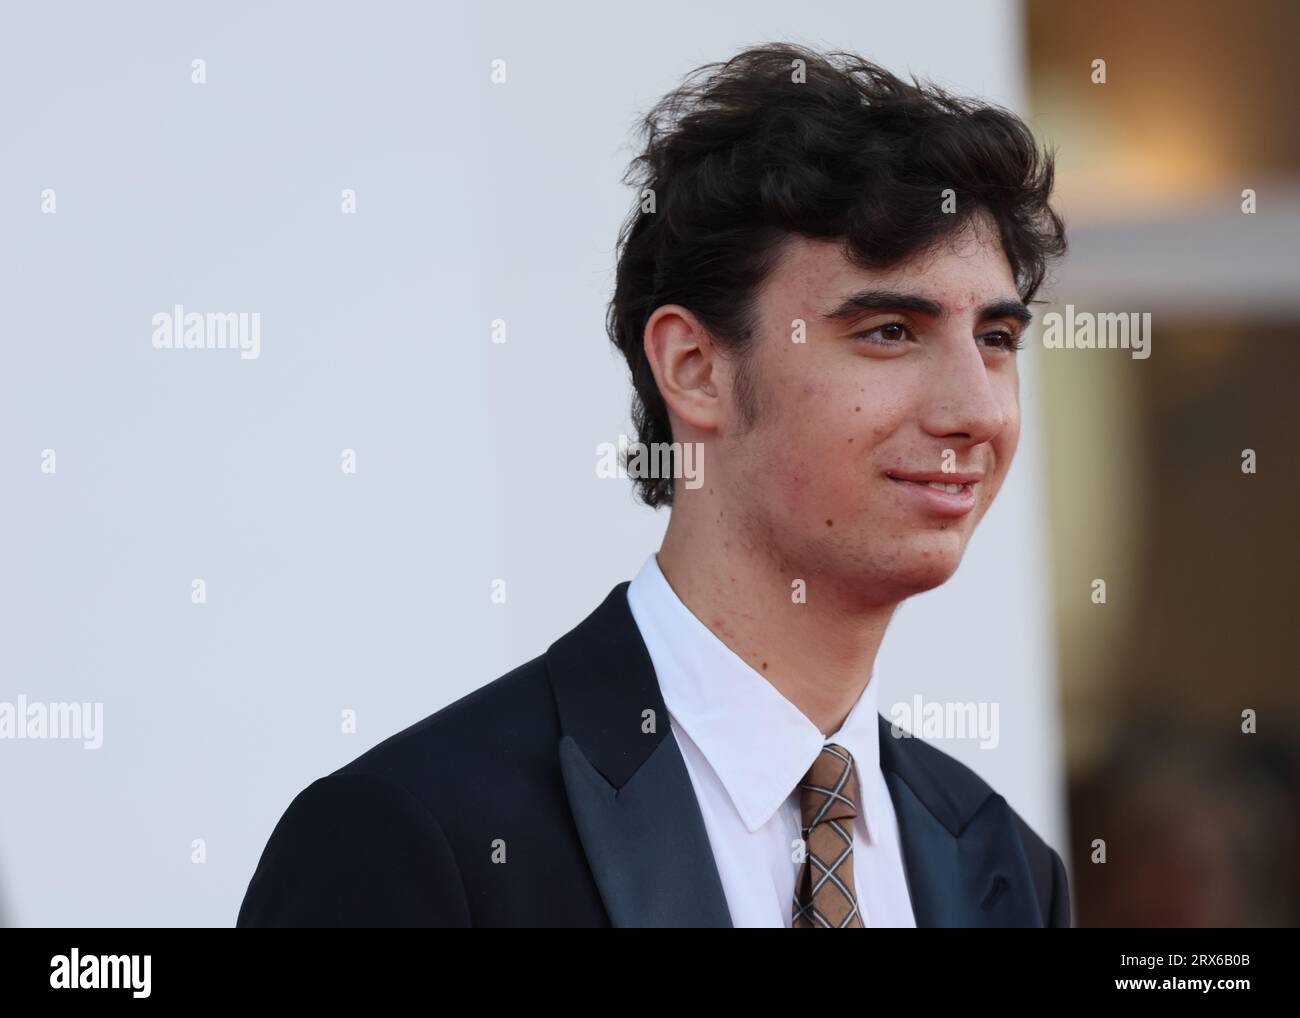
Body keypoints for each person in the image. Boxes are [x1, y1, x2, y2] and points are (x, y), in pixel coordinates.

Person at [238, 43, 1070, 928]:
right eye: (891, 331)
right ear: (695, 367)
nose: (975, 411)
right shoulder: (411, 837)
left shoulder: (1007, 869)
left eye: (996, 339)